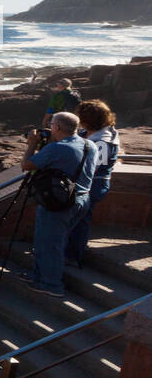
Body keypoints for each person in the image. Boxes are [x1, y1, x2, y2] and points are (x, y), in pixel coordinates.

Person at [20, 111, 96, 297]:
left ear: (56, 127)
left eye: (52, 124)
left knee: (49, 243)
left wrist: (32, 144)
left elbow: (26, 165)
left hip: (59, 203)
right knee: (52, 240)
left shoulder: (57, 148)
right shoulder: (90, 144)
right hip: (82, 198)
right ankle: (38, 276)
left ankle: (51, 285)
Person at [66, 100, 120, 269]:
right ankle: (67, 252)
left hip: (93, 185)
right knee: (76, 220)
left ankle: (71, 256)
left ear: (87, 120)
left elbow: (93, 167)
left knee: (79, 222)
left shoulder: (103, 141)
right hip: (90, 184)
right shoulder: (94, 133)